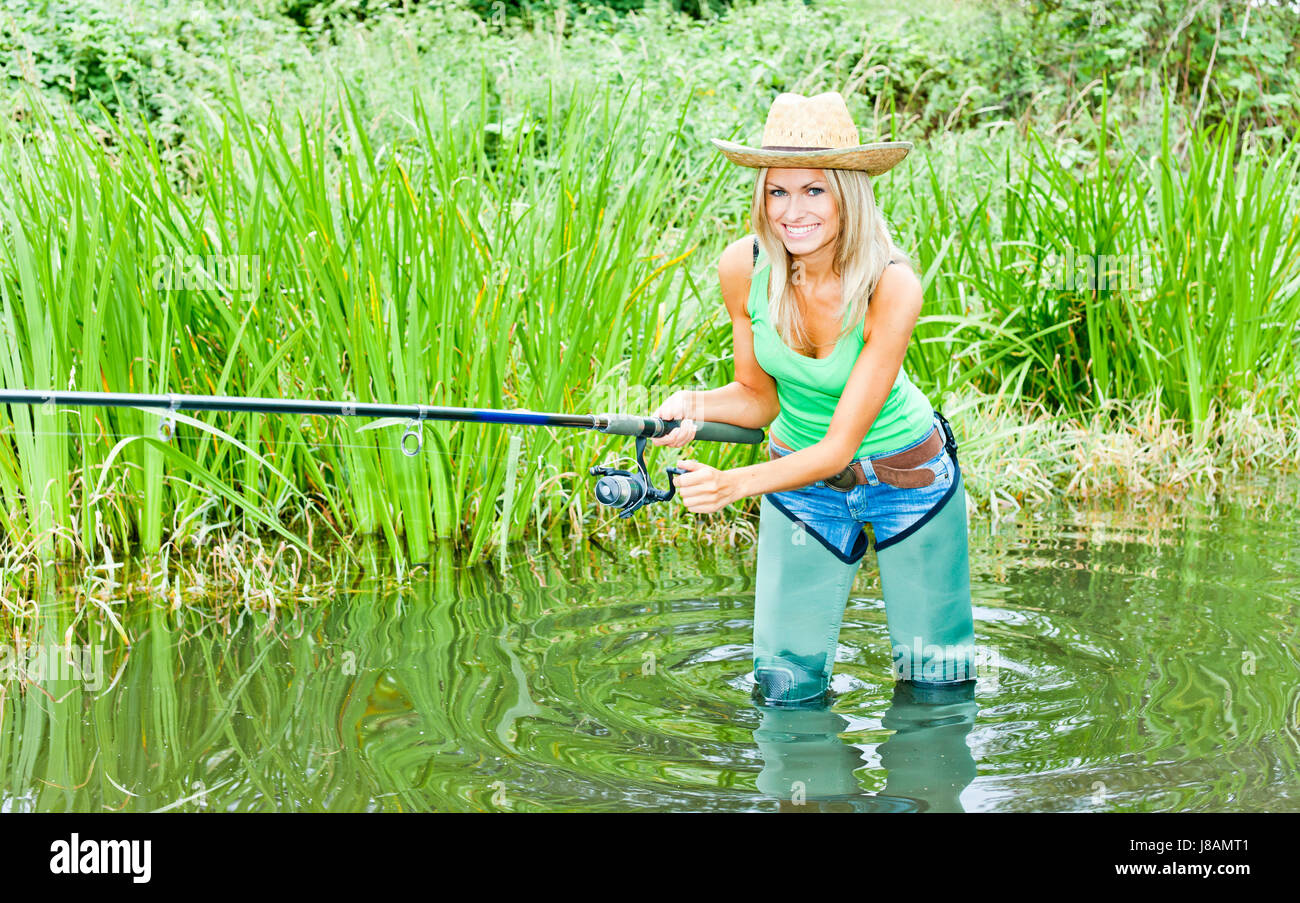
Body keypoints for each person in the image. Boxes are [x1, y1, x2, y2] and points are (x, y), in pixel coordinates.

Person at [653, 92, 976, 706]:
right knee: (784, 686)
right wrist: (694, 405)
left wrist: (733, 484)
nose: (791, 212)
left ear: (847, 193)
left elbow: (839, 447)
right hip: (800, 484)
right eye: (777, 191)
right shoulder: (743, 267)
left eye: (813, 191)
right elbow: (758, 399)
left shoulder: (892, 285)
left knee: (938, 686)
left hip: (909, 476)